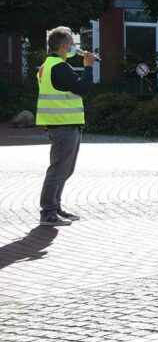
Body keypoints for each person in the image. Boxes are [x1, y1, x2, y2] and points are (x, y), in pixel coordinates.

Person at [35, 26, 96, 226]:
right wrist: (88, 67)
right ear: (63, 45)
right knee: (58, 170)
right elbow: (84, 88)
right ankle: (48, 212)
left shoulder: (47, 66)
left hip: (63, 123)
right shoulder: (59, 67)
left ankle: (55, 207)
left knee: (65, 170)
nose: (74, 47)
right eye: (71, 43)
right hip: (63, 124)